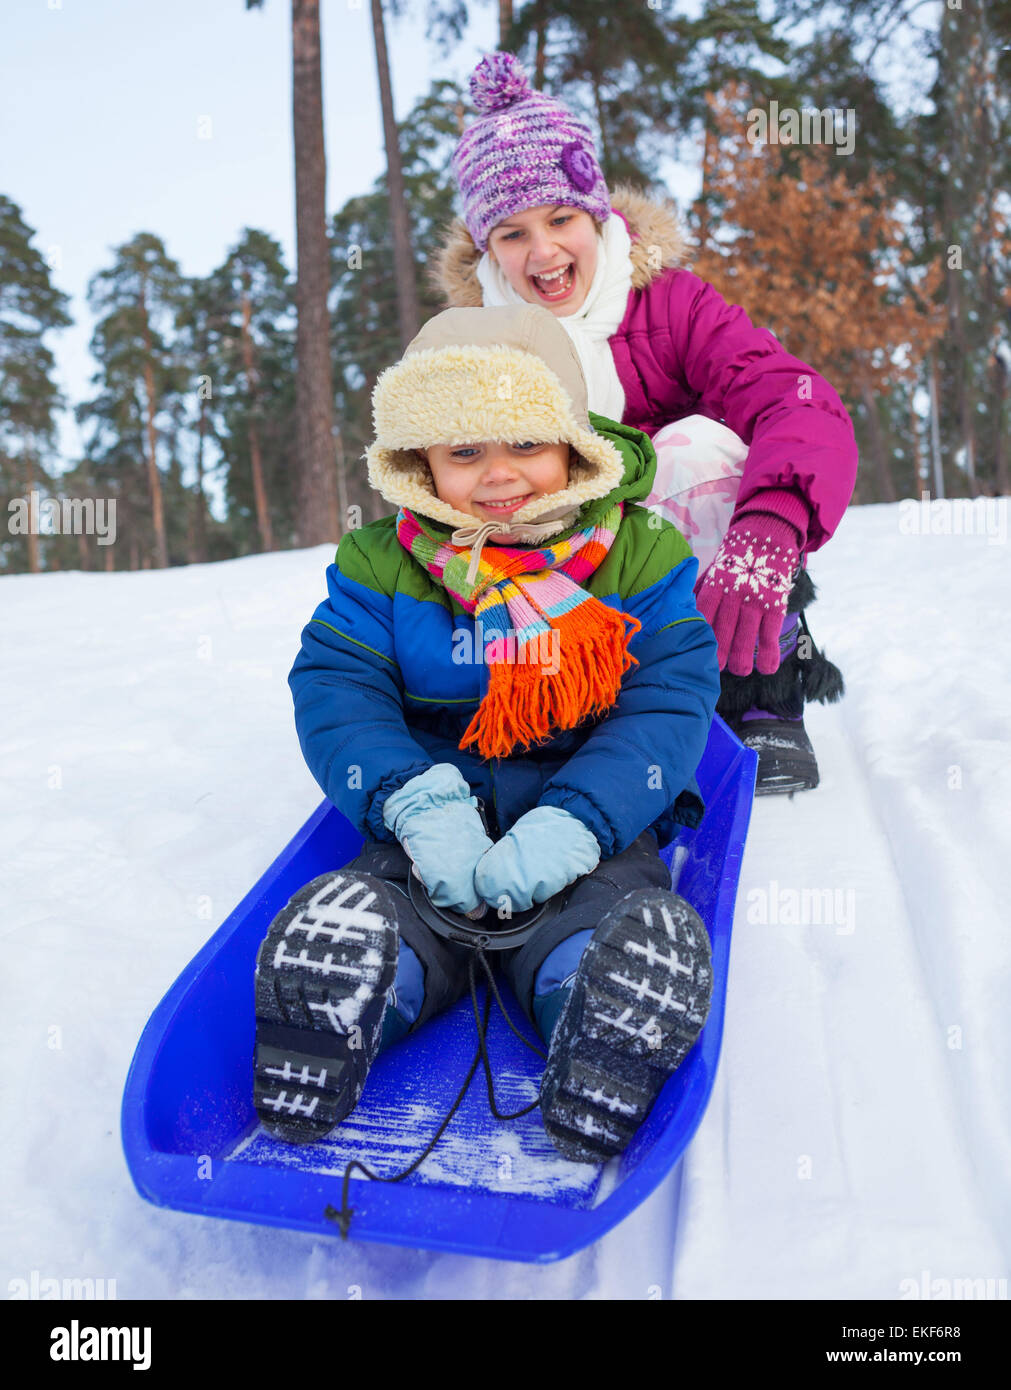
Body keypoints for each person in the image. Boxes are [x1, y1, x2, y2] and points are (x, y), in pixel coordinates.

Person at [253, 302, 721, 1165]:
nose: (498, 476)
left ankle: (593, 1001)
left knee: (600, 902)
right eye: (463, 451)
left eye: (525, 445)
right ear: (420, 461)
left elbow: (668, 697)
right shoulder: (381, 561)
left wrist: (582, 816)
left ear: (575, 447)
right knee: (396, 897)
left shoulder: (638, 554)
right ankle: (357, 985)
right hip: (436, 801)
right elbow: (337, 685)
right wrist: (411, 797)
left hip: (589, 803)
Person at [431, 50, 857, 794]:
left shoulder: (671, 303)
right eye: (511, 233)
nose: (543, 252)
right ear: (486, 249)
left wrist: (776, 519)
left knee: (696, 448)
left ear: (596, 214)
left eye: (561, 218)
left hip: (679, 543)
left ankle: (759, 693)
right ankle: (586, 715)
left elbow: (789, 396)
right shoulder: (475, 340)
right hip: (555, 559)